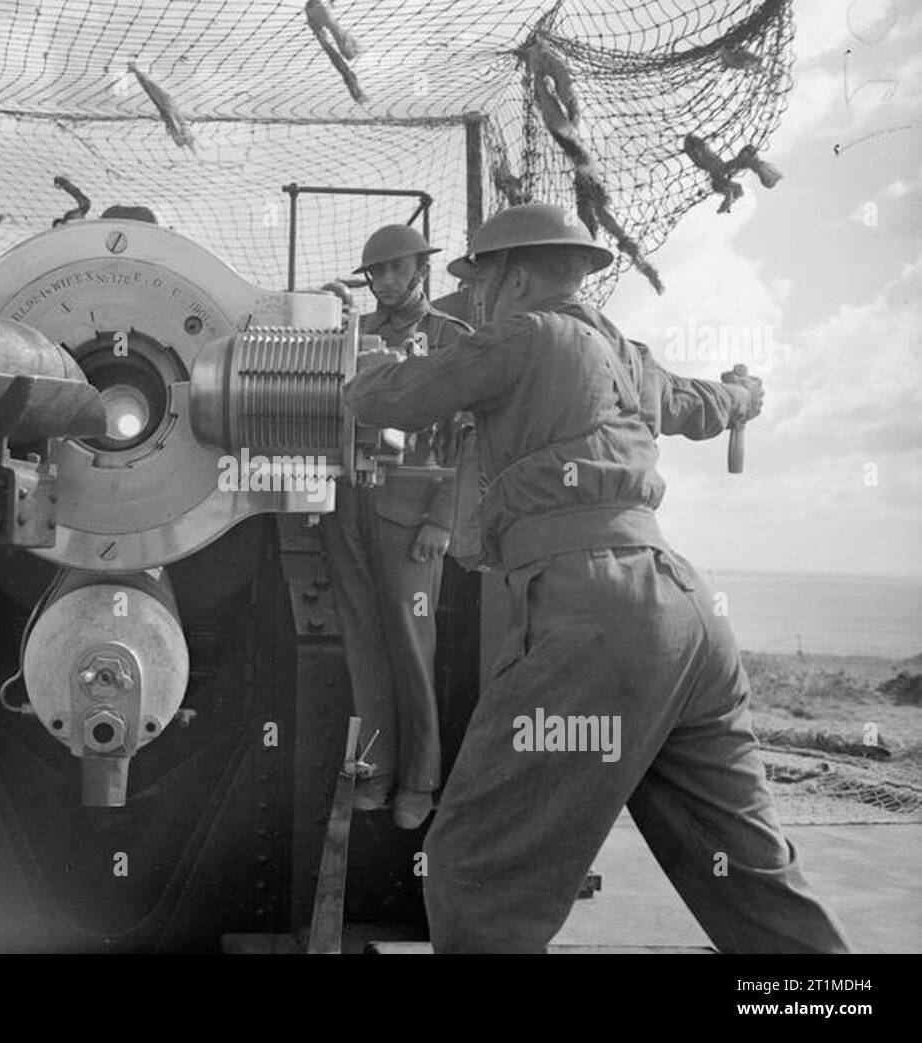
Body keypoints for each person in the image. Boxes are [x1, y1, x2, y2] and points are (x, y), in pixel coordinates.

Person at [343, 203, 850, 953]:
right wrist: (745, 395)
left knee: (473, 866)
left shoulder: (521, 334)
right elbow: (703, 406)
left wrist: (357, 372)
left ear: (510, 278)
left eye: (478, 283)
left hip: (592, 617)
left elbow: (391, 399)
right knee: (750, 882)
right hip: (687, 617)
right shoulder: (624, 353)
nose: (474, 300)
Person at [319, 224, 471, 830]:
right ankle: (375, 773)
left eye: (395, 270)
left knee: (412, 648)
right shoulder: (353, 336)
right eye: (376, 273)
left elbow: (468, 437)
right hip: (348, 507)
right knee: (364, 645)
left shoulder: (449, 338)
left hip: (414, 514)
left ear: (420, 271)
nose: (385, 281)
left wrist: (442, 519)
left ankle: (419, 783)